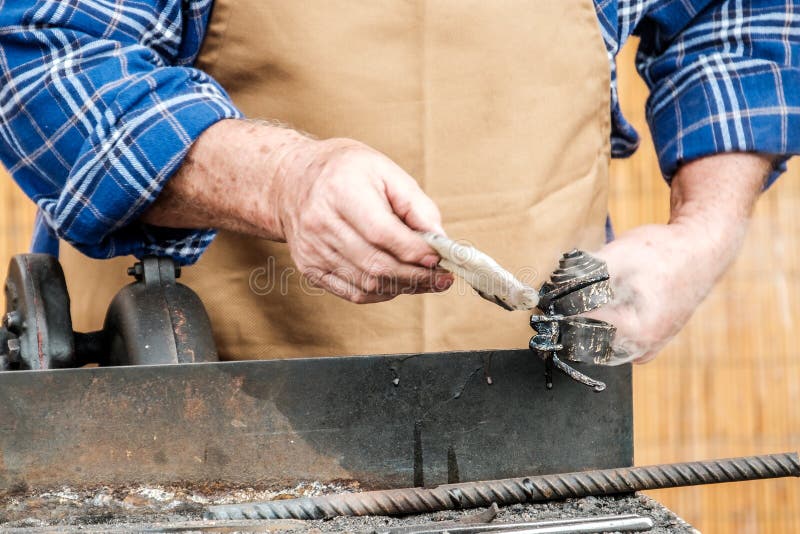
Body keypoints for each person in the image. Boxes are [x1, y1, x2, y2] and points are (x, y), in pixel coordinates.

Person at [0, 1, 797, 364]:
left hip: (542, 446)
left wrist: (703, 235)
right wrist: (287, 179)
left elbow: (734, 23)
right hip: (201, 420)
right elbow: (47, 58)